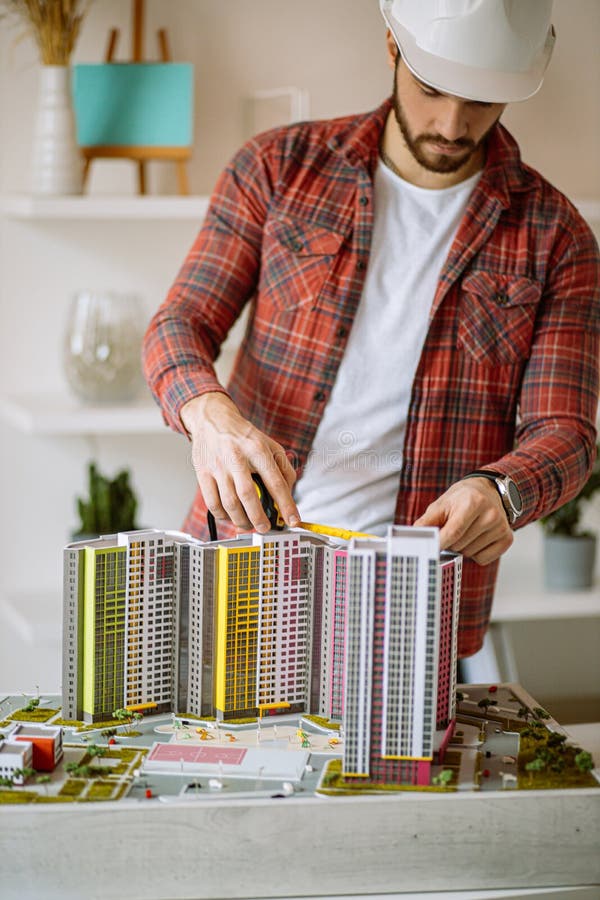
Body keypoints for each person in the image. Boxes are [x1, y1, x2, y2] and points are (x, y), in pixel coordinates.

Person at [143, 0, 599, 658]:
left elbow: (567, 433)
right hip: (247, 564)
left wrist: (502, 489)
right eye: (432, 89)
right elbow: (180, 321)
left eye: (481, 99)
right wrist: (206, 414)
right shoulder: (277, 167)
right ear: (393, 47)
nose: (451, 123)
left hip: (415, 597)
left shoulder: (557, 239)